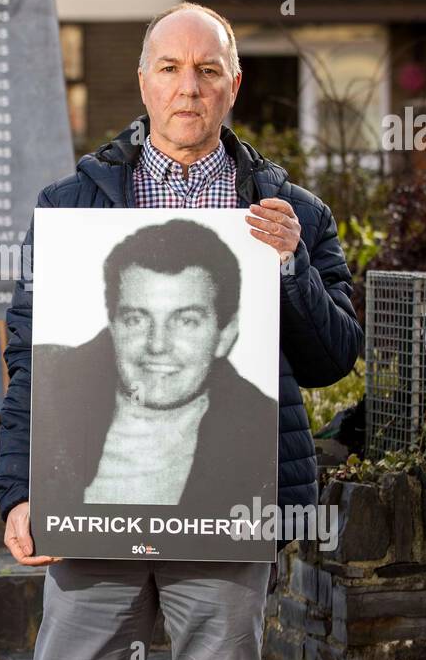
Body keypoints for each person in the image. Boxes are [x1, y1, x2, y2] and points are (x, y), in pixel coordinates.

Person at [0, 2, 363, 660]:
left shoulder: (296, 215)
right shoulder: (70, 207)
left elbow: (333, 360)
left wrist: (292, 268)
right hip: (91, 510)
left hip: (228, 508)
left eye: (207, 70)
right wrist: (18, 490)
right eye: (170, 68)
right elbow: (29, 362)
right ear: (144, 81)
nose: (188, 87)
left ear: (234, 84)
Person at [31, 218, 277, 519]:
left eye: (186, 321)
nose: (157, 345)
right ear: (113, 326)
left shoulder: (265, 433)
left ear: (225, 335)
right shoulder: (44, 387)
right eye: (136, 319)